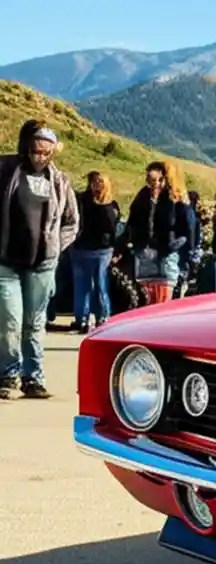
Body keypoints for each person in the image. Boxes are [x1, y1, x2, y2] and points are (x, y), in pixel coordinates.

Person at [0, 121, 79, 400]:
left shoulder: (59, 181)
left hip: (42, 263)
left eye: (46, 152)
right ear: (27, 148)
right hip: (6, 261)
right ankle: (8, 376)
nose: (40, 156)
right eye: (36, 150)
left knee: (34, 322)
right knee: (10, 320)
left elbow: (71, 221)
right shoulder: (7, 170)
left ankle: (33, 377)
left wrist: (55, 248)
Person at [126, 161, 194, 304]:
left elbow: (189, 228)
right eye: (151, 179)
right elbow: (133, 221)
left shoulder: (175, 199)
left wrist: (177, 247)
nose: (155, 183)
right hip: (145, 253)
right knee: (147, 298)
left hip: (166, 254)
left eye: (159, 178)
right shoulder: (143, 197)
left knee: (163, 300)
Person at [69, 171, 120, 333]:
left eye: (100, 182)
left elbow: (113, 229)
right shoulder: (82, 201)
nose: (96, 185)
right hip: (81, 247)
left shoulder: (111, 205)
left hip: (102, 250)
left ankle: (103, 316)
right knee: (81, 285)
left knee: (100, 283)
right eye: (94, 181)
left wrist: (117, 249)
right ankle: (81, 318)